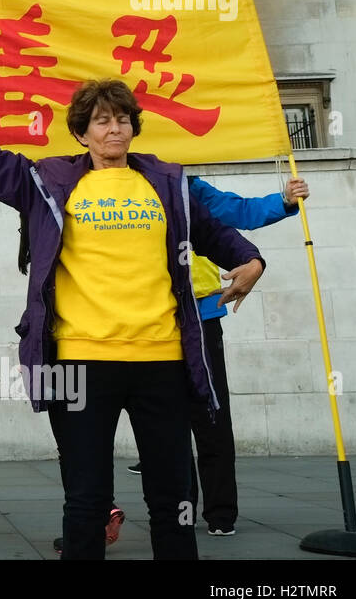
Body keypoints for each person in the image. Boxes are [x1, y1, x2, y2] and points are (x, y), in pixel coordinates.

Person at [0, 66, 264, 560]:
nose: (114, 129)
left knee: (173, 500)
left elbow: (210, 229)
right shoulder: (49, 181)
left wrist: (251, 259)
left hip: (161, 361)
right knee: (86, 501)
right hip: (80, 365)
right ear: (80, 132)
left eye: (123, 119)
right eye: (101, 121)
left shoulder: (166, 180)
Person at [128, 175, 310, 537]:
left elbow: (239, 210)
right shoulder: (115, 189)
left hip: (200, 317)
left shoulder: (186, 186)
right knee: (166, 422)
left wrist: (285, 200)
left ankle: (221, 514)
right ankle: (181, 511)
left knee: (211, 415)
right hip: (149, 320)